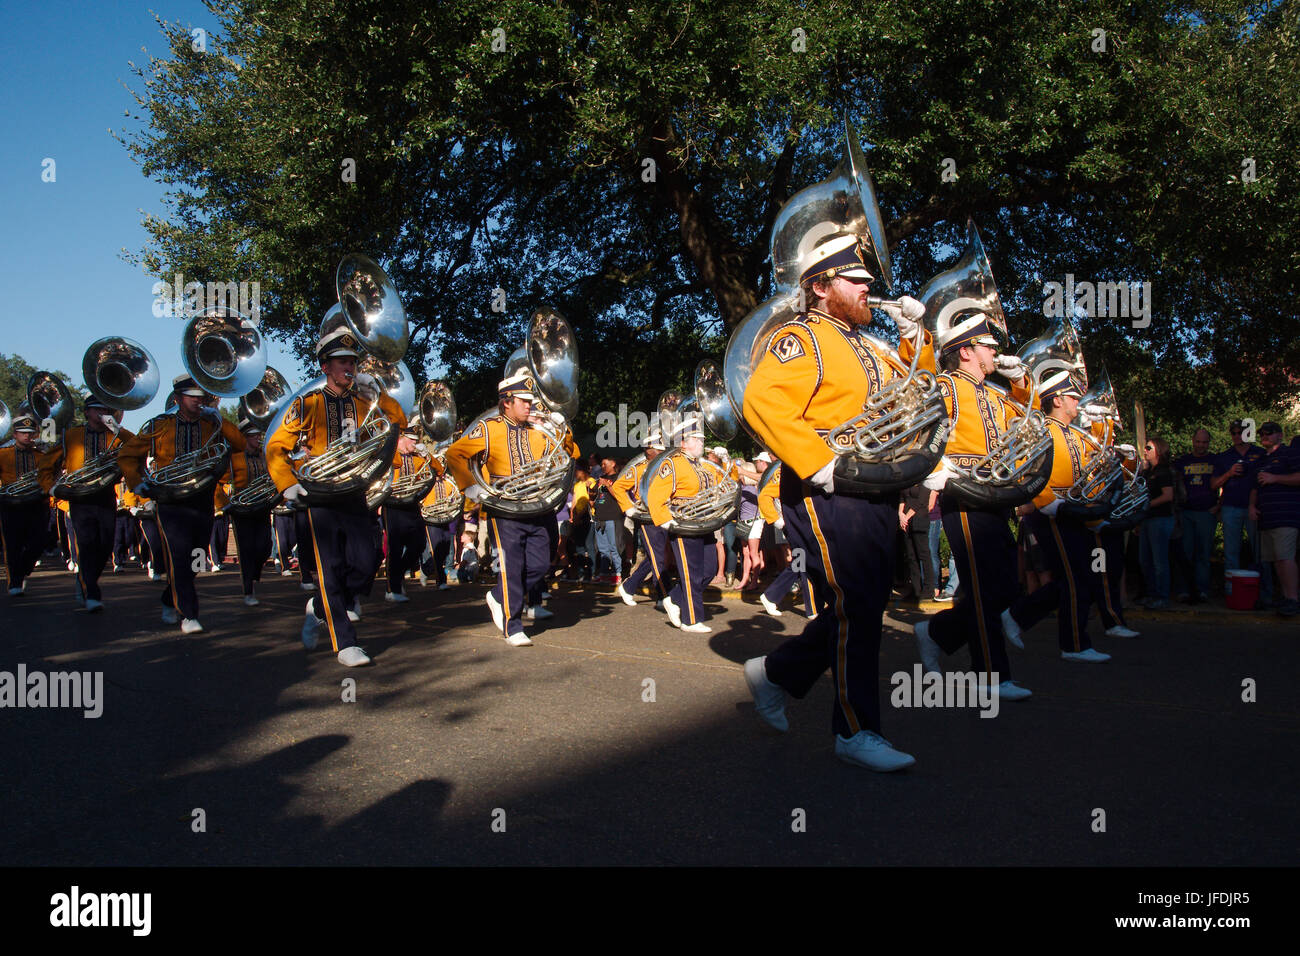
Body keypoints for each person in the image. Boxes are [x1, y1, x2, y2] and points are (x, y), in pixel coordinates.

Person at [741, 234, 927, 771]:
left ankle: (775, 673)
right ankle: (854, 730)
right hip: (826, 487)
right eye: (857, 280)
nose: (870, 288)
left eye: (868, 280)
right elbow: (763, 401)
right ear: (821, 287)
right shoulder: (802, 336)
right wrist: (817, 459)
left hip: (871, 489)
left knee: (862, 606)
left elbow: (914, 390)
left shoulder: (869, 345)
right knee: (856, 604)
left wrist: (914, 336)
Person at [912, 308, 1038, 693]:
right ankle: (990, 676)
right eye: (987, 345)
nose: (994, 352)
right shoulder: (947, 386)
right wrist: (937, 467)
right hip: (963, 493)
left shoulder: (995, 394)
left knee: (1004, 587)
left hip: (998, 493)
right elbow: (921, 424)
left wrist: (1021, 381)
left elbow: (1033, 416)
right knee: (986, 588)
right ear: (967, 351)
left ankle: (936, 633)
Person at [266, 327, 408, 666]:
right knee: (329, 569)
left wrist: (380, 394)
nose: (349, 369)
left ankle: (319, 605)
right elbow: (276, 446)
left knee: (368, 559)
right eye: (342, 363)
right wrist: (286, 483)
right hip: (319, 498)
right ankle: (345, 643)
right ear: (325, 367)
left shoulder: (365, 403)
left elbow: (398, 421)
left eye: (352, 363)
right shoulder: (308, 403)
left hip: (355, 492)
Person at [444, 370, 580, 646]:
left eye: (530, 400)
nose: (529, 405)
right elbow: (454, 453)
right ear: (506, 401)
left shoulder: (538, 431)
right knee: (511, 566)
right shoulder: (489, 428)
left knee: (542, 564)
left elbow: (571, 453)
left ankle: (498, 596)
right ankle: (512, 624)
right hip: (504, 508)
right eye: (523, 400)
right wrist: (472, 486)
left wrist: (561, 427)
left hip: (537, 506)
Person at [118, 374, 247, 633]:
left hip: (202, 499)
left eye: (201, 398)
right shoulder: (160, 424)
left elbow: (240, 444)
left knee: (197, 557)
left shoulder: (212, 424)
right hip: (171, 500)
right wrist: (137, 483)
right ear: (177, 398)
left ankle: (170, 596)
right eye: (192, 397)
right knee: (178, 555)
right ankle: (189, 614)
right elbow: (128, 455)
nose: (198, 402)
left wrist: (221, 419)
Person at [39, 397, 134, 612]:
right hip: (80, 498)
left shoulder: (114, 435)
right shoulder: (71, 436)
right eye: (97, 410)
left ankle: (84, 578)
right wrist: (52, 488)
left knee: (105, 545)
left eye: (104, 409)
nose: (101, 413)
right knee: (88, 543)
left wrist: (117, 428)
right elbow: (46, 463)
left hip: (105, 496)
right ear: (87, 412)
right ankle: (91, 591)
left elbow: (138, 446)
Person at [644, 415, 736, 634]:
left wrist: (726, 461)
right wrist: (666, 521)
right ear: (683, 442)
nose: (703, 442)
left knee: (709, 569)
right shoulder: (672, 464)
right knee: (691, 573)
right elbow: (655, 496)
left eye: (703, 439)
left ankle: (673, 598)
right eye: (698, 438)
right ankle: (691, 620)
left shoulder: (704, 465)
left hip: (704, 523)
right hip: (683, 525)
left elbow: (728, 482)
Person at [612, 430, 670, 606]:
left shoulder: (666, 467)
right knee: (658, 557)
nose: (662, 454)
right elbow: (618, 486)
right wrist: (628, 508)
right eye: (659, 451)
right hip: (646, 518)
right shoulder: (639, 469)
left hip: (664, 515)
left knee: (658, 556)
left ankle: (629, 586)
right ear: (649, 451)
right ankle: (663, 596)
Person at [0, 407, 54, 597]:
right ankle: (15, 582)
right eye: (23, 433)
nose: (28, 437)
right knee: (12, 545)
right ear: (15, 434)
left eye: (31, 433)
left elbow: (50, 475)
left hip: (36, 505)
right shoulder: (3, 454)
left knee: (38, 543)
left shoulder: (41, 456)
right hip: (11, 505)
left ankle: (23, 569)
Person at [1248, 422, 1300, 616]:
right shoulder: (1261, 459)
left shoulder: (1289, 453)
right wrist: (1252, 506)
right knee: (1277, 560)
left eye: (1269, 433)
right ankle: (1286, 597)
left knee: (1285, 558)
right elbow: (1255, 486)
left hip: (1286, 515)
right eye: (1262, 433)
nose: (1265, 436)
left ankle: (1293, 599)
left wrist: (1275, 479)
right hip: (1266, 517)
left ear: (1280, 435)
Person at [383, 426, 440, 603]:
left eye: (416, 440)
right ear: (400, 439)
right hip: (392, 505)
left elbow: (438, 470)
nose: (415, 444)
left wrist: (427, 456)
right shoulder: (391, 454)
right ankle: (392, 589)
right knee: (395, 547)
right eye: (412, 440)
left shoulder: (417, 458)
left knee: (418, 544)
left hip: (412, 505)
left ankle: (399, 573)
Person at [1212, 420, 1269, 596]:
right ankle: (1232, 592)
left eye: (1241, 432)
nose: (1237, 436)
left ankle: (1264, 593)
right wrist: (1229, 473)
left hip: (1255, 508)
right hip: (1231, 507)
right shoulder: (1224, 456)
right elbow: (1213, 485)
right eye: (1234, 433)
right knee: (1231, 552)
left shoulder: (1260, 454)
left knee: (1259, 552)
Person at [755, 461, 816, 619]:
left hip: (807, 524)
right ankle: (813, 609)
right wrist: (778, 521)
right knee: (804, 562)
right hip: (796, 525)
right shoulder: (786, 468)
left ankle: (771, 596)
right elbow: (765, 496)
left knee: (801, 563)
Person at [226, 417, 275, 606]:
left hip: (262, 506)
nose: (258, 438)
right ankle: (248, 590)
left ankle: (254, 573)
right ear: (245, 438)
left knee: (265, 545)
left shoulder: (264, 455)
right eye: (254, 436)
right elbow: (224, 480)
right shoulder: (234, 457)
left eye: (258, 435)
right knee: (246, 550)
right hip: (242, 509)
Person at [1173, 428, 1217, 602]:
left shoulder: (1215, 460)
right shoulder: (1182, 461)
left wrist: (1219, 506)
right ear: (1193, 441)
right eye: (1198, 441)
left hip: (1207, 512)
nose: (1201, 445)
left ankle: (1202, 590)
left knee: (1203, 555)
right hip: (1186, 512)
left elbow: (1225, 483)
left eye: (1204, 442)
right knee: (1185, 553)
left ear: (1209, 443)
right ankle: (1184, 589)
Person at [1137, 436, 1176, 609]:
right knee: (1145, 559)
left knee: (1159, 561)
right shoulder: (1147, 472)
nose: (1145, 451)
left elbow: (1168, 495)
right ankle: (1151, 593)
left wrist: (1146, 505)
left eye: (1148, 448)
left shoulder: (1163, 471)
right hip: (1147, 520)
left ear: (1158, 451)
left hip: (1160, 519)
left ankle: (1162, 596)